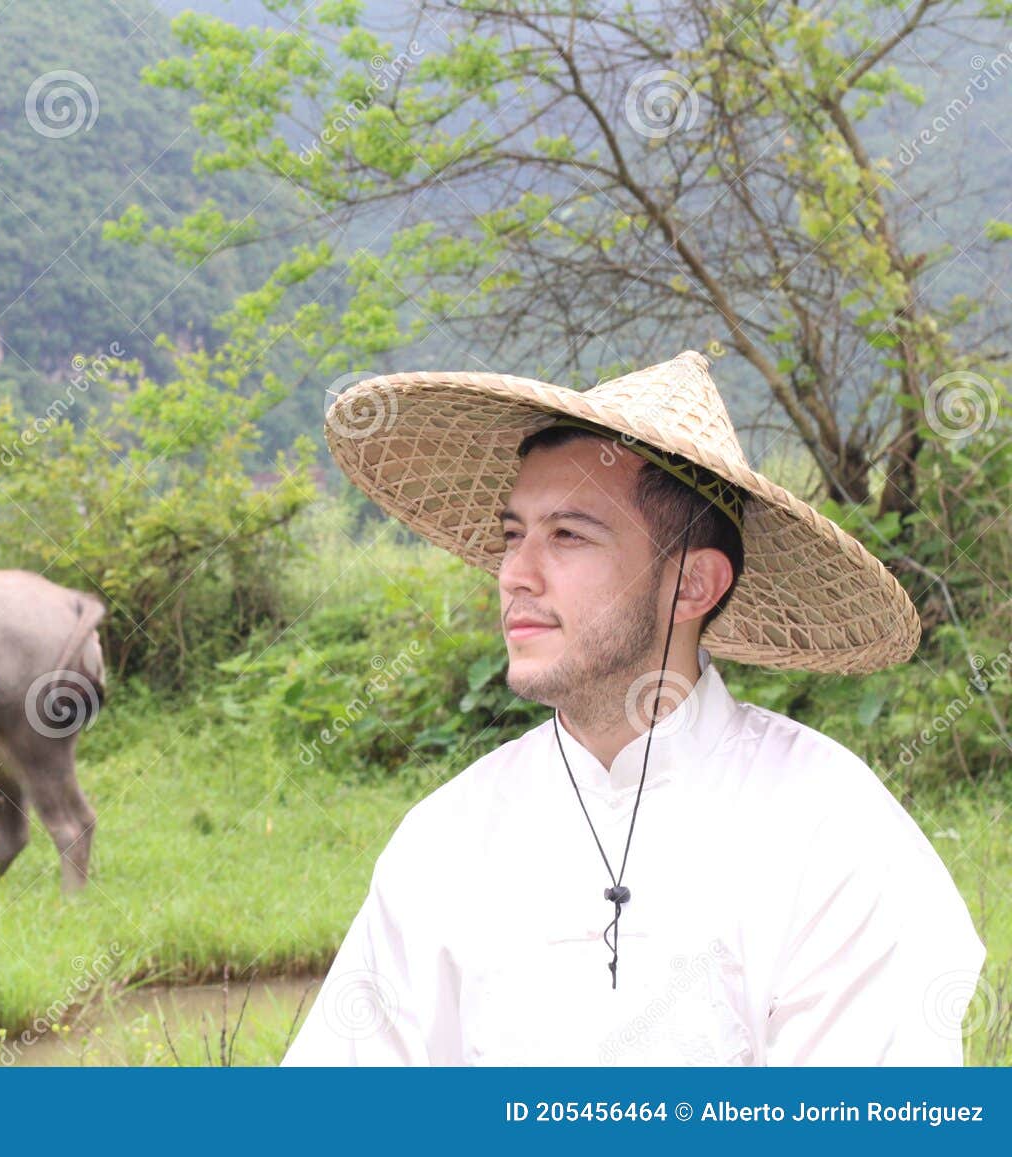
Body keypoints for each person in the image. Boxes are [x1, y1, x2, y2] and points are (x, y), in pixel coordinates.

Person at [282, 350, 988, 1065]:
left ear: (692, 585)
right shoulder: (445, 840)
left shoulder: (832, 833)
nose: (515, 575)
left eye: (567, 535)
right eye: (511, 535)